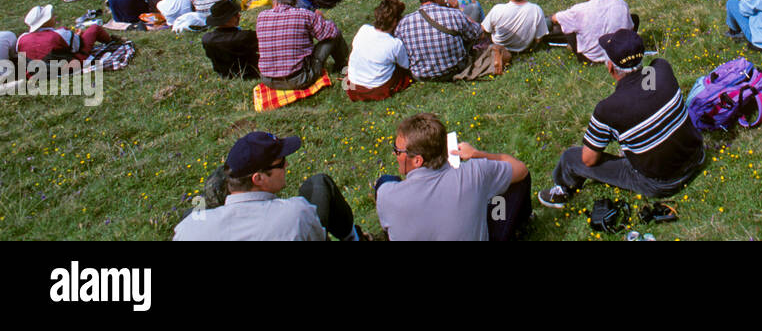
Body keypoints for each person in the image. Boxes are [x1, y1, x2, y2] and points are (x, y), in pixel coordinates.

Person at [538, 30, 705, 209]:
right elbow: (646, 92)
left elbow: (589, 160)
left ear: (610, 67)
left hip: (661, 183)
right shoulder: (661, 68)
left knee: (571, 158)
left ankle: (563, 189)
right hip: (697, 158)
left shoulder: (608, 109)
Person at [174, 131, 362, 241]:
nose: (287, 165)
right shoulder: (296, 213)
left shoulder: (188, 230)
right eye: (281, 163)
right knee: (319, 184)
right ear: (258, 178)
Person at [376, 112, 531, 241]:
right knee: (514, 183)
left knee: (384, 180)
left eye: (397, 151)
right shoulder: (475, 173)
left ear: (417, 160)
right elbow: (521, 170)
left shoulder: (386, 196)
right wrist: (477, 154)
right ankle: (523, 225)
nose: (395, 154)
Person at [395, 0, 494, 81]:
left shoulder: (404, 23)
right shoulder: (454, 14)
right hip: (453, 69)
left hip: (421, 75)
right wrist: (457, 10)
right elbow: (478, 34)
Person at [255, 0, 347, 89]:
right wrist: (322, 19)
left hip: (268, 81)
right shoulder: (304, 14)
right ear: (294, 2)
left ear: (274, 2)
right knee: (335, 33)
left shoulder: (261, 16)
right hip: (300, 79)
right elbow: (331, 32)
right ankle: (342, 65)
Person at [550, 0, 636, 63]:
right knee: (633, 18)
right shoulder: (621, 3)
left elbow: (555, 18)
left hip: (591, 59)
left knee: (567, 25)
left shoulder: (580, 9)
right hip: (618, 55)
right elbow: (631, 27)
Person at [345, 0, 413, 101]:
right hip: (376, 88)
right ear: (395, 21)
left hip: (353, 85)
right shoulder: (394, 44)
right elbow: (406, 66)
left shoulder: (364, 29)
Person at [482, 0, 549, 70]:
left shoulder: (498, 9)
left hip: (500, 47)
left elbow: (484, 29)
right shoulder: (536, 10)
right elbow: (538, 39)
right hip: (523, 48)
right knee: (547, 22)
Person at [17, 4, 114, 64]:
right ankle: (112, 42)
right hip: (67, 66)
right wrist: (78, 37)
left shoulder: (21, 39)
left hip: (36, 71)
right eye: (52, 16)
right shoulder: (60, 34)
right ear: (45, 21)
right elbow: (76, 48)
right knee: (94, 28)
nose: (54, 17)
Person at [202, 0, 260, 78]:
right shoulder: (245, 36)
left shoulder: (207, 39)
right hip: (251, 74)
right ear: (227, 19)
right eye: (235, 14)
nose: (239, 15)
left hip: (224, 75)